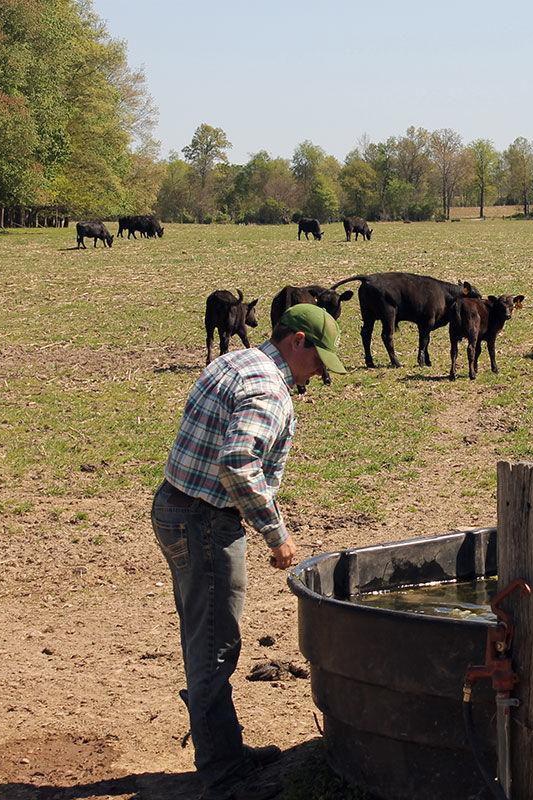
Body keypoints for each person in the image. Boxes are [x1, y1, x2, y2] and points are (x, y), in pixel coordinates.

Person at [151, 304, 346, 800]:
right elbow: (238, 461)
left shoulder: (235, 362)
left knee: (202, 634)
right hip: (205, 523)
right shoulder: (268, 389)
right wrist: (275, 532)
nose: (320, 375)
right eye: (319, 361)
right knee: (216, 643)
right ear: (297, 341)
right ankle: (223, 771)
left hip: (175, 508)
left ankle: (223, 746)